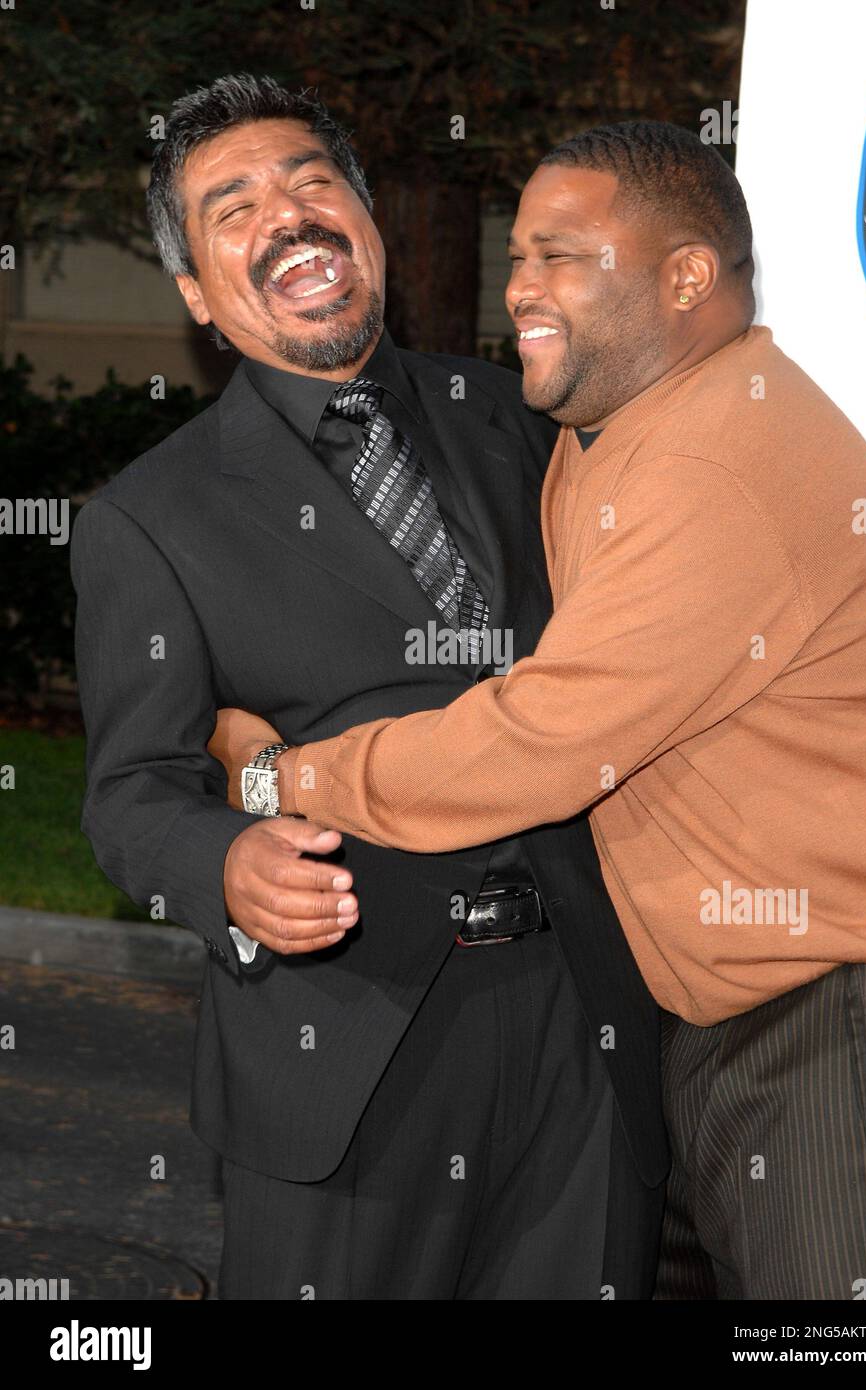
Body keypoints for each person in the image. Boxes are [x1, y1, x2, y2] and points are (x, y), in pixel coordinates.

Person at [214, 120, 866, 1300]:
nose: (518, 284)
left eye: (558, 256)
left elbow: (541, 738)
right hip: (717, 1010)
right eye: (518, 254)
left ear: (686, 276)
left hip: (826, 1011)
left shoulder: (712, 459)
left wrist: (285, 777)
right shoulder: (618, 432)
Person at [70, 75, 668, 1301]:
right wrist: (226, 865)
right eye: (230, 208)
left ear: (368, 223)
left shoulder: (524, 420)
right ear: (195, 291)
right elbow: (131, 792)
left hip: (585, 1018)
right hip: (342, 1045)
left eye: (310, 181)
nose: (284, 214)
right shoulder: (151, 516)